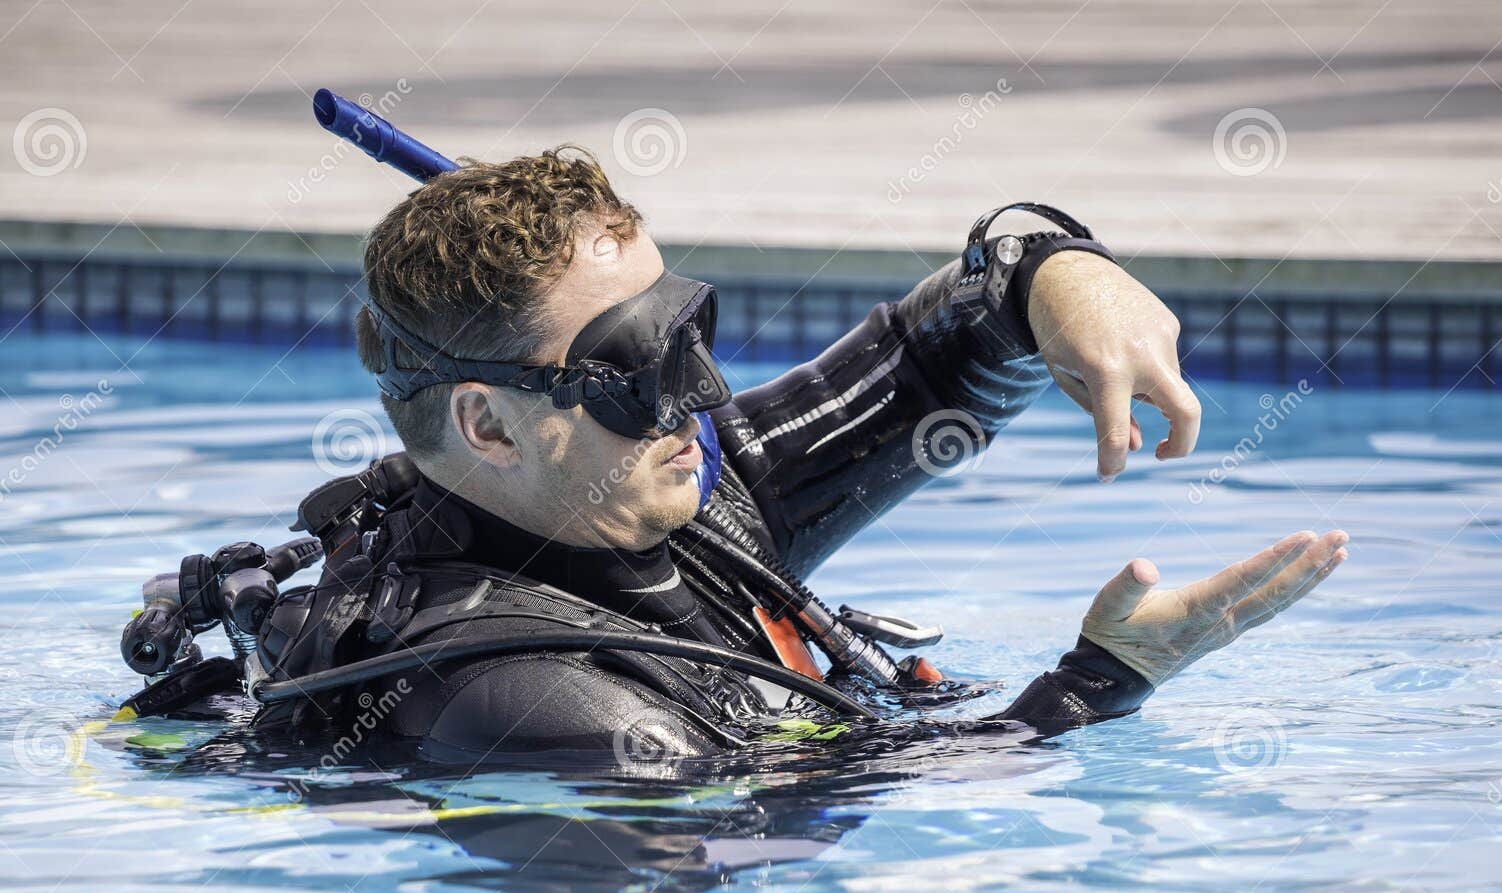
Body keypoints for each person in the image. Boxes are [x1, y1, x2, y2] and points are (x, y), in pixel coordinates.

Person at [250, 148, 1347, 762]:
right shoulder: (527, 703)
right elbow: (796, 843)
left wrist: (1060, 271)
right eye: (636, 366)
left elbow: (945, 345)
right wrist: (1092, 688)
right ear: (486, 425)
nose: (702, 399)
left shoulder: (672, 485)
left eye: (688, 332)